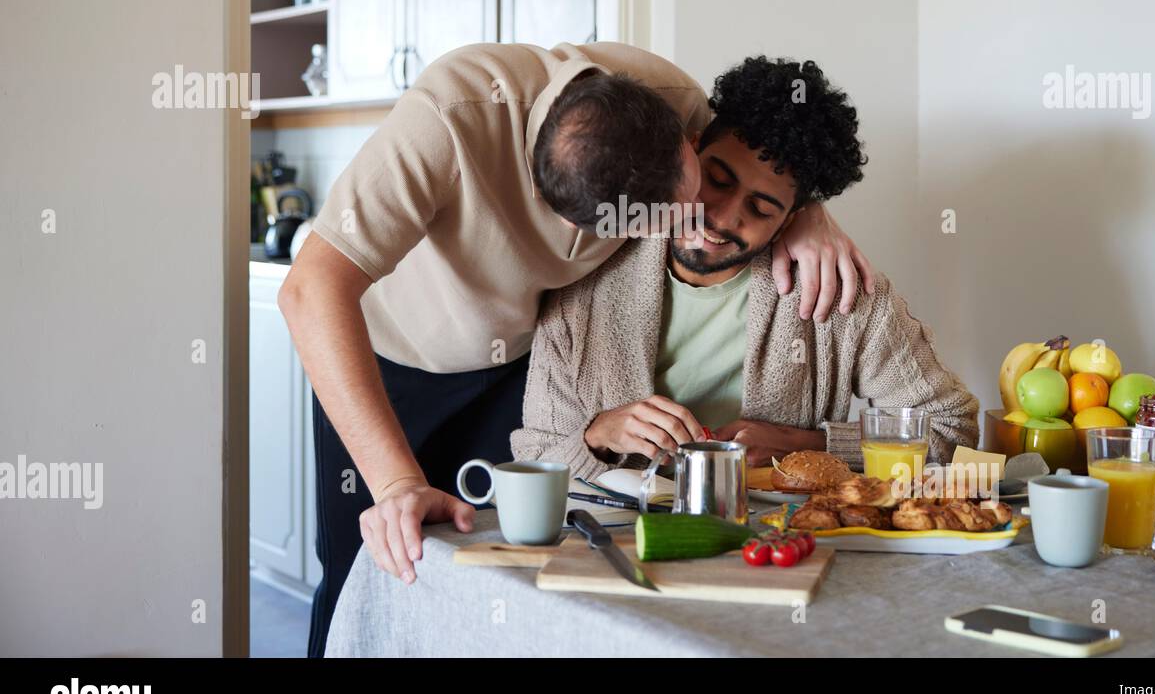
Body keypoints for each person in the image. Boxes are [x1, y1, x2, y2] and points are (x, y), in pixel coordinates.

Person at [279, 42, 875, 657]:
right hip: (389, 363)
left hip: (517, 363)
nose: (693, 227)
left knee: (505, 574)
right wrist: (399, 483)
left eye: (691, 189)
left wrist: (809, 217)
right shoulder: (446, 117)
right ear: (579, 219)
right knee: (376, 562)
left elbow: (764, 159)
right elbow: (311, 289)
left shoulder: (676, 102)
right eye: (655, 223)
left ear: (683, 141)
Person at [511, 55, 978, 479]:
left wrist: (811, 446)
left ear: (792, 218)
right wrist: (600, 435)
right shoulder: (587, 279)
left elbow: (950, 429)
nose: (723, 219)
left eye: (761, 207)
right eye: (717, 180)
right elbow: (534, 458)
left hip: (778, 542)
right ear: (689, 151)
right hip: (615, 545)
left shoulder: (836, 294)